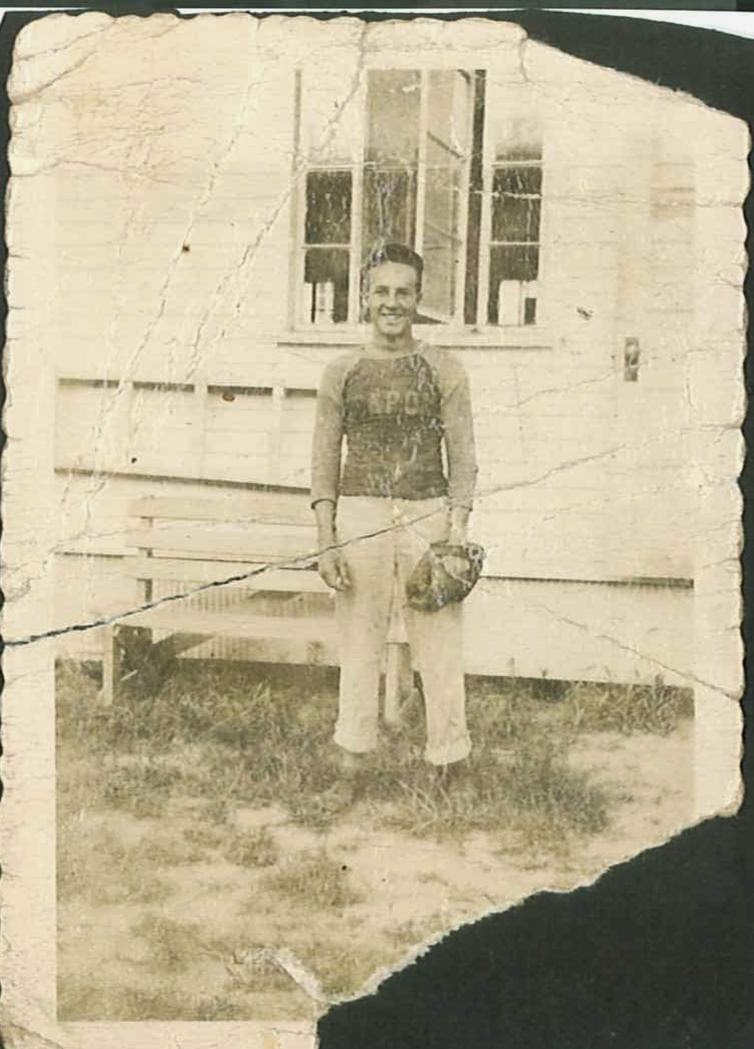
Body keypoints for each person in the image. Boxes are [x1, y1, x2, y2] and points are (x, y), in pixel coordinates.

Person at [310, 242, 478, 773]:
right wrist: (326, 539)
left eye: (403, 292)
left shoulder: (443, 367)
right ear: (365, 296)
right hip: (360, 516)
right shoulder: (342, 371)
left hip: (427, 515)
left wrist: (454, 531)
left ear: (418, 298)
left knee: (439, 647)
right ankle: (353, 758)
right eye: (381, 291)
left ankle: (448, 760)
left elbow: (464, 458)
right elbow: (322, 462)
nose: (392, 302)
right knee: (361, 642)